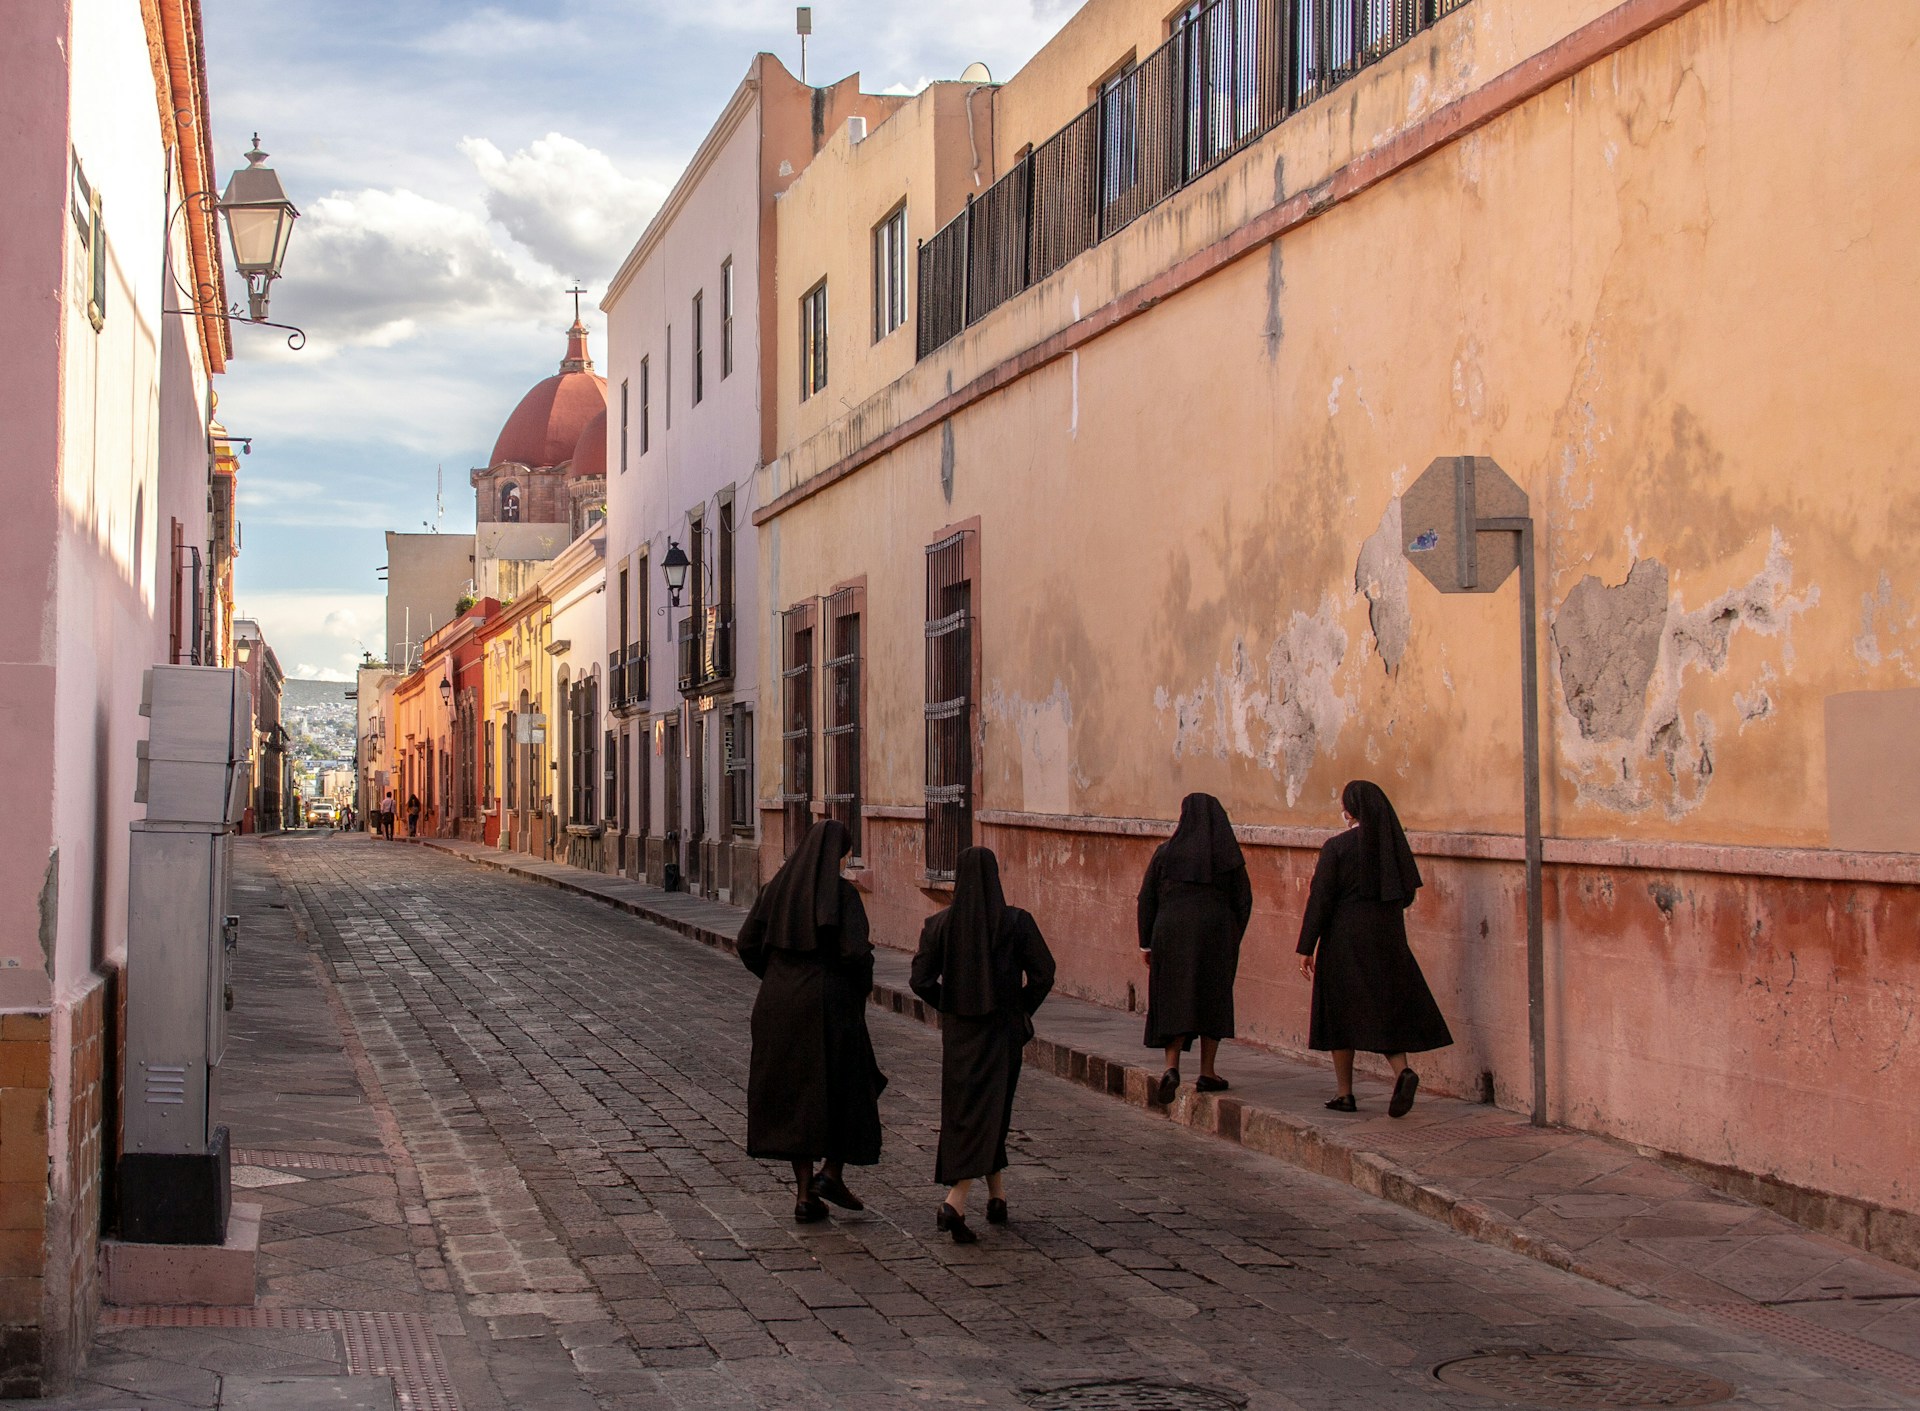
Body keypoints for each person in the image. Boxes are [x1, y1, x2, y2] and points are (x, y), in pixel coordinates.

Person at [736, 819, 887, 1223]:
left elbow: (746, 944)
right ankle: (831, 1173)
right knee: (851, 1085)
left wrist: (777, 978)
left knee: (793, 1097)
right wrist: (858, 987)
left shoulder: (775, 890)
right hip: (830, 1003)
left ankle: (805, 1194)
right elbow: (856, 954)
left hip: (778, 1003)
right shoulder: (842, 895)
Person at [910, 847, 1055, 1244]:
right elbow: (1045, 972)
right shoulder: (1016, 923)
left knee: (967, 1112)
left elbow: (920, 980)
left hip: (959, 1036)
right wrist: (1019, 1009)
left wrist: (952, 1006)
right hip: (1002, 1033)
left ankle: (997, 1196)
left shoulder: (939, 925)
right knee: (993, 1111)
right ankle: (955, 1201)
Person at [1296, 779, 1453, 1117]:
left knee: (1338, 1013)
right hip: (1387, 936)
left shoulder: (1336, 847)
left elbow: (1321, 898)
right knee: (1385, 1007)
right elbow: (1407, 892)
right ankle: (1403, 1072)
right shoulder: (1392, 847)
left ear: (1349, 810)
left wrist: (1307, 945)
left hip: (1344, 938)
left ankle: (1344, 1093)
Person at [1138, 793, 1254, 1104]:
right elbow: (1244, 900)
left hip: (1170, 933)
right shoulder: (1228, 858)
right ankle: (1207, 1071)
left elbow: (1146, 898)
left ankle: (1171, 1067)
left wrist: (1146, 943)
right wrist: (1233, 936)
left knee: (1172, 996)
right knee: (1212, 998)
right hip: (1215, 935)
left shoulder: (1165, 853)